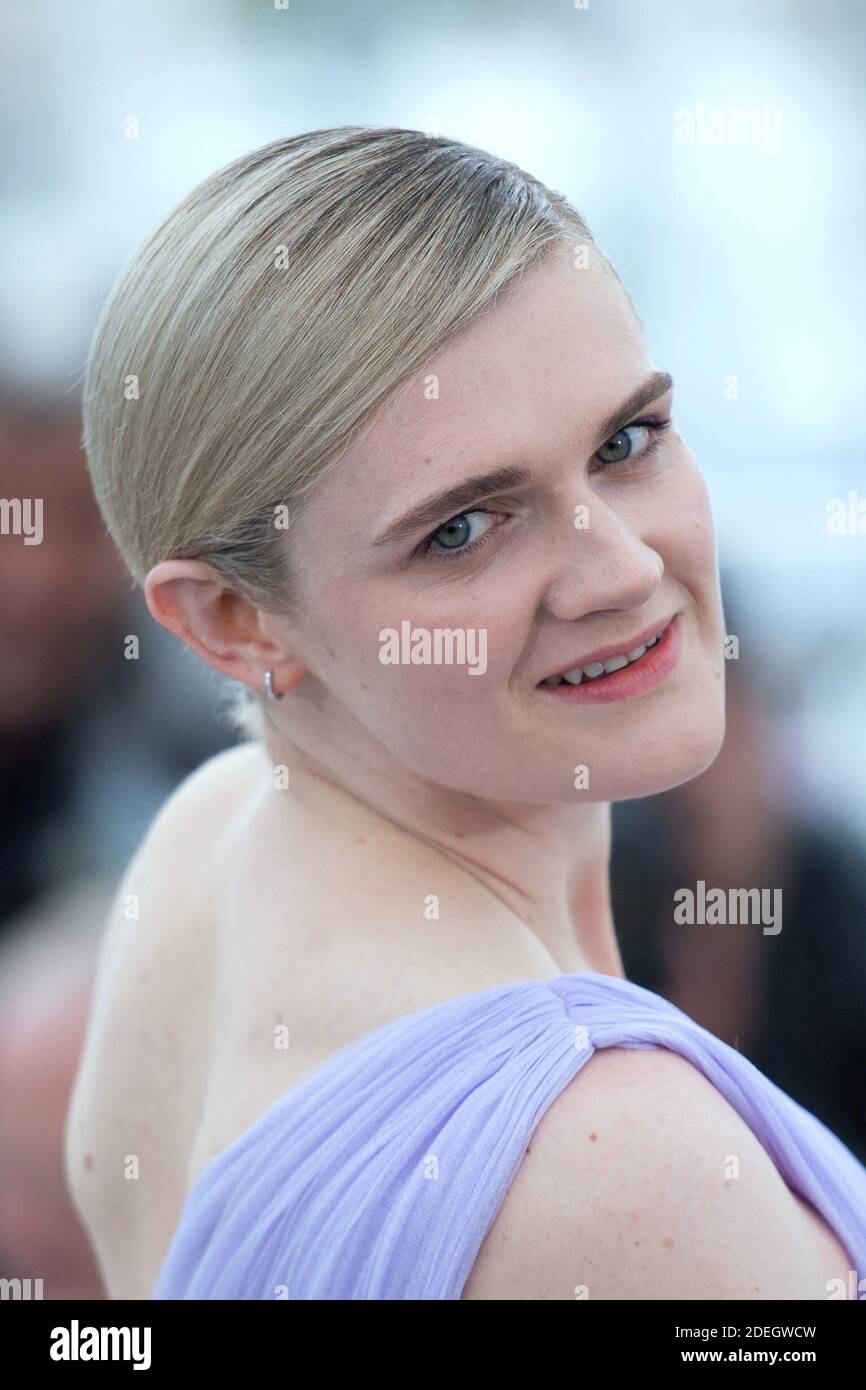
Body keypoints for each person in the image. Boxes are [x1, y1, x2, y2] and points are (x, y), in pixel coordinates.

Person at [65, 127, 866, 1301]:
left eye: (625, 442)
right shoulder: (625, 1161)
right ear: (235, 621)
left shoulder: (205, 847)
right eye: (461, 526)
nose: (621, 569)